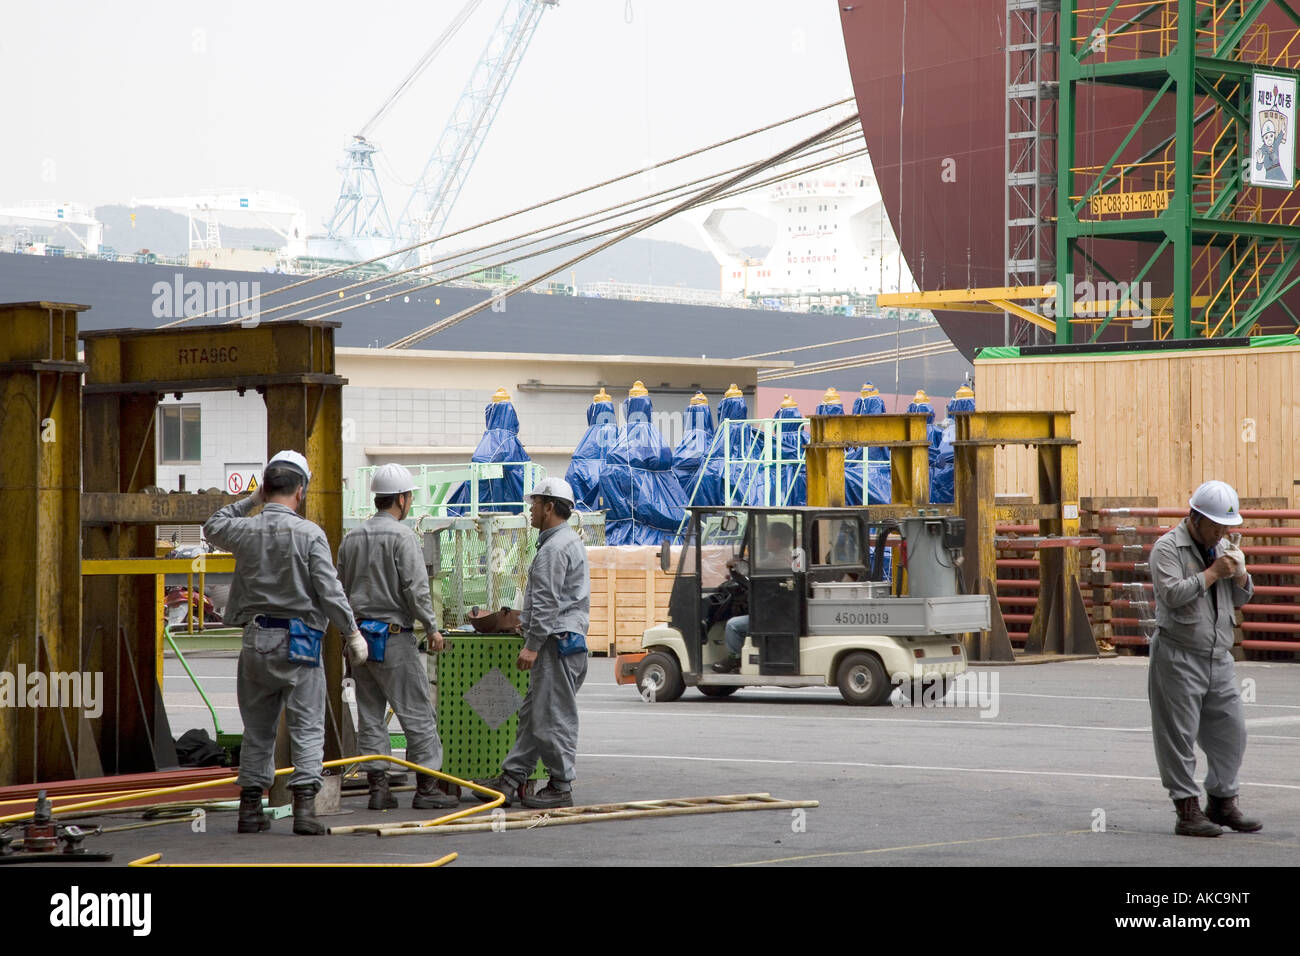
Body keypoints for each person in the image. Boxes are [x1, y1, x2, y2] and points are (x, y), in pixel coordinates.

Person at [203, 450, 367, 836]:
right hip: (300, 642)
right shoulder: (310, 534)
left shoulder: (246, 530)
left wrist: (253, 500)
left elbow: (212, 525)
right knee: (307, 726)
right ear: (301, 490)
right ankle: (305, 811)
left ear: (267, 486)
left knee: (256, 727)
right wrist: (351, 632)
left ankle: (249, 810)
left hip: (256, 639)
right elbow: (329, 591)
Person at [337, 463, 458, 812]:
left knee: (371, 715)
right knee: (417, 712)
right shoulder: (403, 537)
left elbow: (339, 588)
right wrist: (432, 627)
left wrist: (349, 633)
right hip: (394, 638)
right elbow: (416, 589)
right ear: (402, 500)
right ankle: (427, 785)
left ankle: (378, 789)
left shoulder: (353, 538)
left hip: (360, 640)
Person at [1148, 479, 1261, 837]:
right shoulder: (1167, 548)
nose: (1222, 533)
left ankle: (1222, 801)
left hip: (1219, 657)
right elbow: (1171, 594)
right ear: (1194, 517)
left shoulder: (1225, 546)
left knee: (1232, 732)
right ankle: (1187, 809)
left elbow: (1242, 600)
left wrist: (1241, 574)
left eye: (1227, 526)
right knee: (1177, 736)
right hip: (1179, 654)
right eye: (1215, 525)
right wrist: (1213, 574)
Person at [475, 476, 590, 809]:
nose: (530, 509)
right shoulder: (564, 541)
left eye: (534, 504)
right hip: (561, 640)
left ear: (549, 507)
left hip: (556, 643)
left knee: (553, 716)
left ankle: (561, 785)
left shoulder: (554, 548)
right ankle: (511, 780)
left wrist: (532, 644)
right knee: (534, 715)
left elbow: (547, 603)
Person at [712, 521, 795, 674]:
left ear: (777, 540)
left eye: (768, 537)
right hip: (779, 611)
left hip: (773, 616)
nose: (766, 541)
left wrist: (735, 565)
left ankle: (735, 659)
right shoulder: (787, 556)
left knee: (733, 625)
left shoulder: (776, 560)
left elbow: (752, 569)